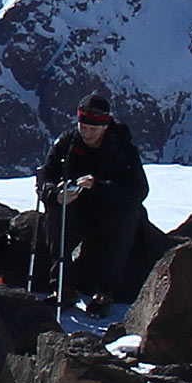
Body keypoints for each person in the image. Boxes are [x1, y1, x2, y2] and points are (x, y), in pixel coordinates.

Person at [35, 92, 150, 307]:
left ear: (105, 126)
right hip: (76, 208)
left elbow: (138, 191)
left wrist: (98, 186)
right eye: (83, 127)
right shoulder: (67, 144)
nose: (86, 133)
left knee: (127, 218)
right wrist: (55, 194)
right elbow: (46, 176)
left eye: (92, 129)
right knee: (54, 215)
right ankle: (62, 285)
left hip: (111, 212)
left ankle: (105, 291)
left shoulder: (123, 149)